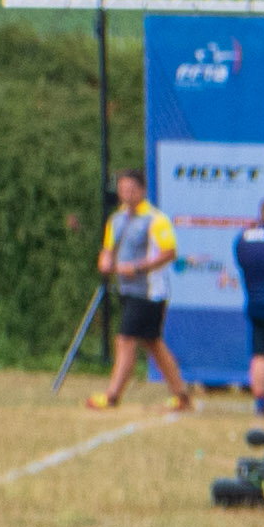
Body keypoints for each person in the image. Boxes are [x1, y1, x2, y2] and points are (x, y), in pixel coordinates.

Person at [96, 169, 186, 411]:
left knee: (125, 339)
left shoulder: (156, 219)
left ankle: (112, 395)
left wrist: (137, 267)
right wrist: (105, 261)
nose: (126, 194)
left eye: (131, 189)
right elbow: (108, 248)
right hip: (126, 290)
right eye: (122, 190)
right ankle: (181, 395)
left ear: (142, 191)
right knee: (152, 342)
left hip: (149, 291)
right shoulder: (117, 219)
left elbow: (169, 252)